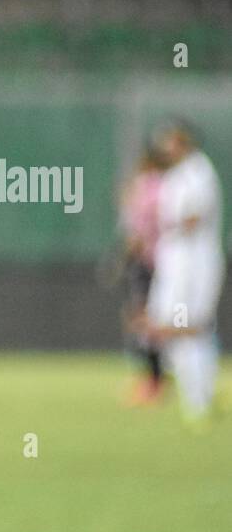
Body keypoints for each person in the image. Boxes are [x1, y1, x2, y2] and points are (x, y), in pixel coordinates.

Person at [138, 119, 225, 429]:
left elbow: (194, 218)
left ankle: (199, 398)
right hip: (173, 261)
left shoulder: (199, 172)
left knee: (190, 326)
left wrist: (161, 228)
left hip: (195, 263)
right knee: (166, 326)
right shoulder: (174, 176)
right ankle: (194, 396)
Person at [117, 146, 166, 406]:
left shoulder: (152, 187)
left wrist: (124, 257)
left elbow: (139, 232)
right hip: (151, 262)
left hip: (150, 263)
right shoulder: (155, 186)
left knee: (146, 319)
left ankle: (155, 379)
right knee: (142, 319)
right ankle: (151, 376)